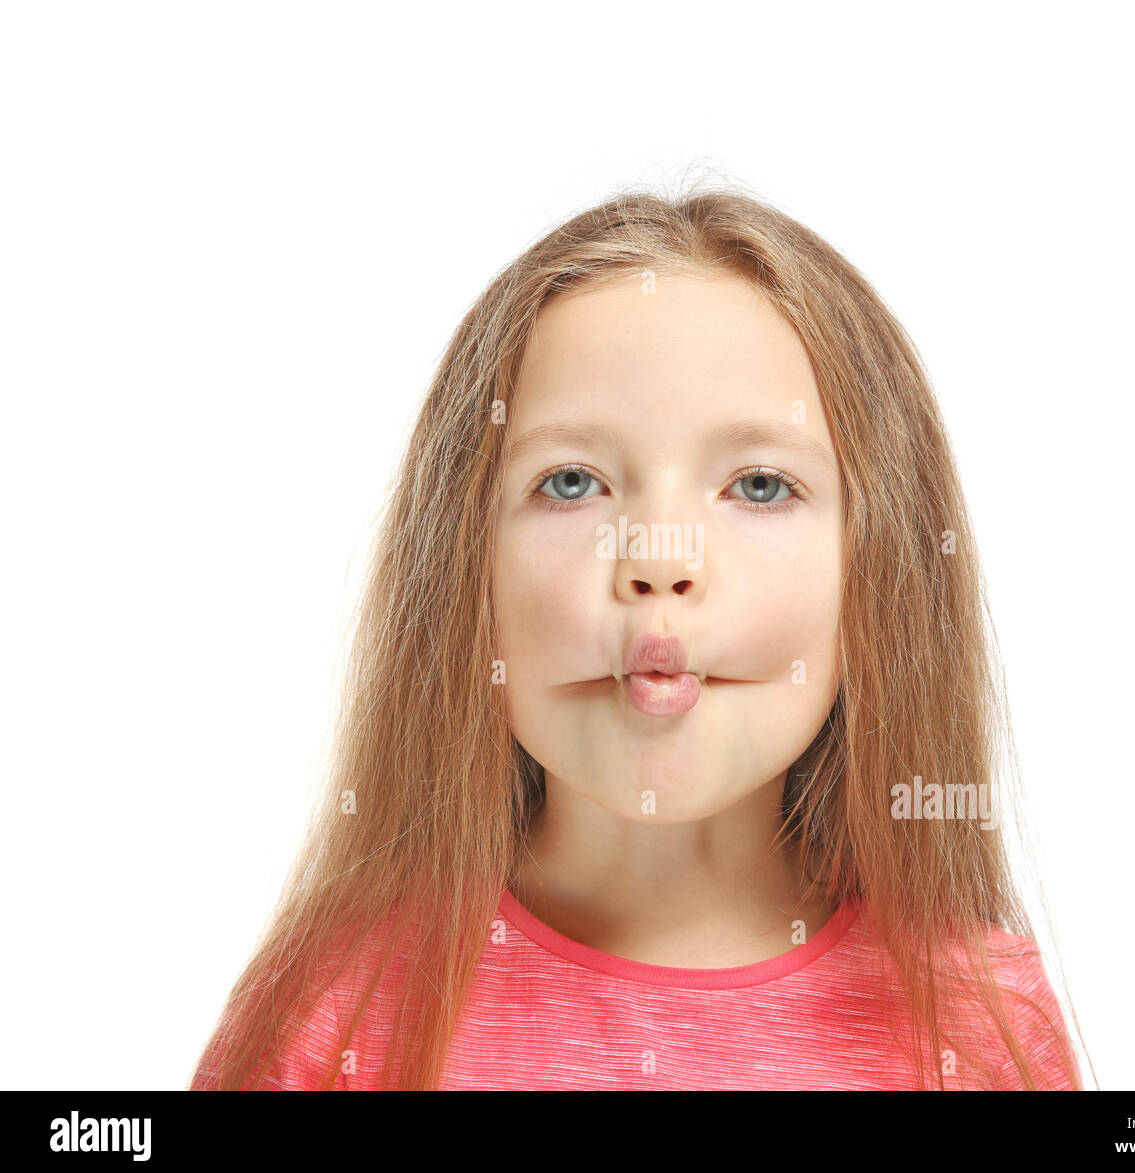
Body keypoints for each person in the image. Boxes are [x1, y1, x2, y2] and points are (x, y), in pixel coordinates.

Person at [191, 184, 1085, 1090]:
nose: (661, 559)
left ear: (880, 570)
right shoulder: (335, 1012)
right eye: (574, 482)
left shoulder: (979, 1025)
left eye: (761, 485)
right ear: (467, 570)